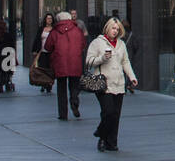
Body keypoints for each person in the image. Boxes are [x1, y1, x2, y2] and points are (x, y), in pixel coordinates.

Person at [87, 17, 138, 151]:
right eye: (113, 28)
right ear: (107, 28)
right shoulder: (97, 43)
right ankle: (102, 136)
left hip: (119, 83)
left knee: (116, 115)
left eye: (117, 29)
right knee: (108, 112)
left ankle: (112, 142)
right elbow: (89, 61)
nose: (115, 31)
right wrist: (102, 58)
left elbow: (125, 62)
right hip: (103, 83)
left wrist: (132, 77)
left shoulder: (121, 44)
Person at [41, 11, 86, 120]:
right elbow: (83, 44)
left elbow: (47, 46)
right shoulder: (77, 30)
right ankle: (74, 100)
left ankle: (63, 114)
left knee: (61, 89)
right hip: (75, 61)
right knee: (74, 84)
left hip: (60, 62)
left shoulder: (55, 31)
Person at [31, 13, 56, 94]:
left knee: (50, 69)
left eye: (51, 18)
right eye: (48, 18)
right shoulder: (41, 29)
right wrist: (34, 50)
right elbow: (37, 39)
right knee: (42, 68)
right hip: (42, 52)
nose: (49, 20)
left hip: (51, 52)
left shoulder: (54, 29)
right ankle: (43, 83)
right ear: (45, 19)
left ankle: (49, 84)